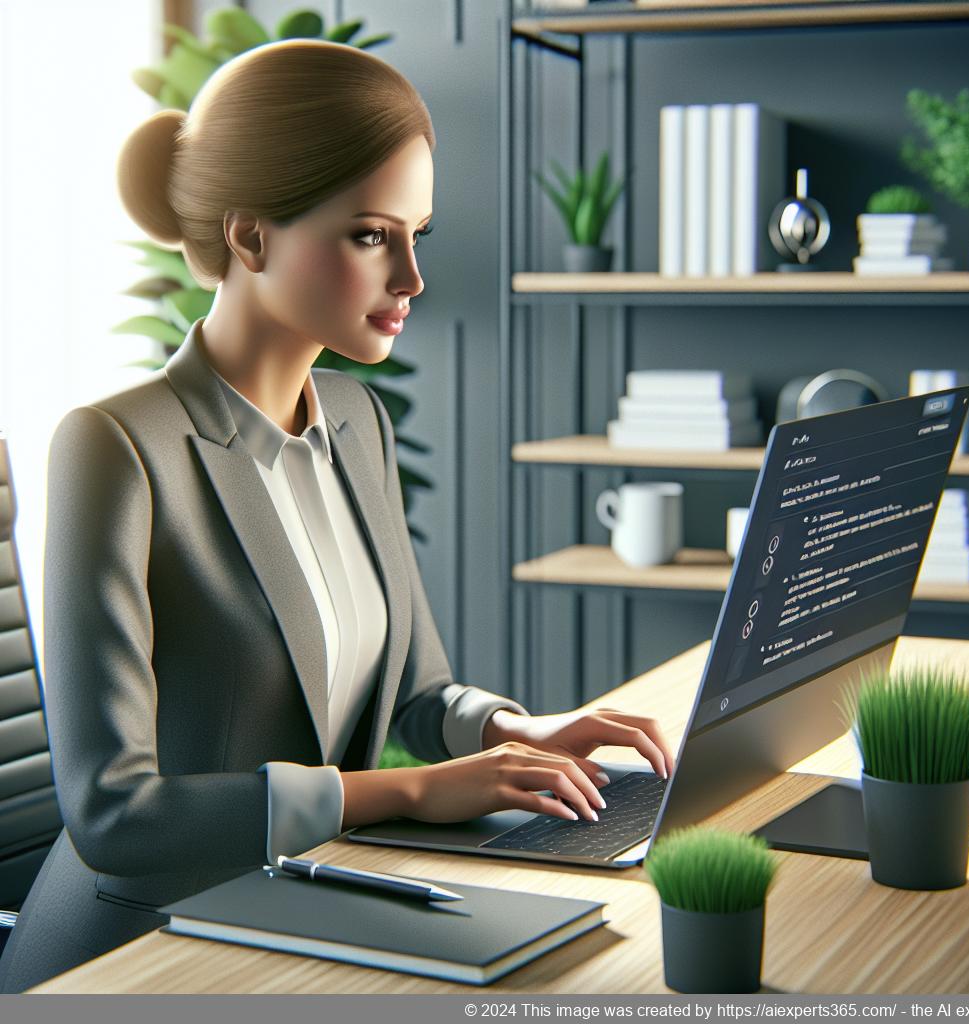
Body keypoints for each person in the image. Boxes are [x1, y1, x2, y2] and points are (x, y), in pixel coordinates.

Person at [0, 40, 673, 993]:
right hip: (143, 945)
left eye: (416, 234)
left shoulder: (359, 421)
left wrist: (516, 732)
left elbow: (417, 693)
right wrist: (404, 792)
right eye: (370, 235)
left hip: (307, 901)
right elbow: (115, 817)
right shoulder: (116, 447)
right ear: (250, 237)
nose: (412, 277)